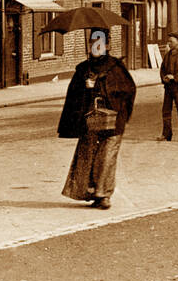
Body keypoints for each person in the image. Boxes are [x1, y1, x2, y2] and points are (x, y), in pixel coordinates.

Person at [58, 29, 136, 209]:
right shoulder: (83, 69)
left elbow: (128, 91)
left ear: (107, 46)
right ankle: (91, 192)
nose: (96, 46)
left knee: (107, 157)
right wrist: (87, 88)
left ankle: (104, 195)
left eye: (100, 43)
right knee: (88, 155)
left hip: (113, 120)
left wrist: (107, 93)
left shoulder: (116, 67)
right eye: (93, 43)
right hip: (91, 121)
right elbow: (73, 96)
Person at [158, 33, 178, 142]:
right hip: (168, 87)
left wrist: (175, 77)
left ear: (177, 41)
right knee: (166, 110)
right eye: (169, 41)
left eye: (171, 41)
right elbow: (162, 69)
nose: (169, 43)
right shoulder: (167, 55)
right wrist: (164, 78)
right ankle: (166, 134)